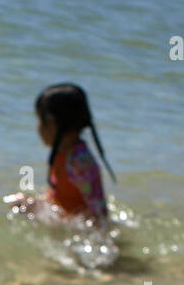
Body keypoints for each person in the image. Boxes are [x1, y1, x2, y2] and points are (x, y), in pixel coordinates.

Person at [10, 83, 114, 224]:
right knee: (17, 201)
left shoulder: (80, 162)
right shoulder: (64, 153)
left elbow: (99, 213)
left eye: (40, 120)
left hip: (71, 224)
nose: (38, 127)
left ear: (52, 125)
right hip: (61, 213)